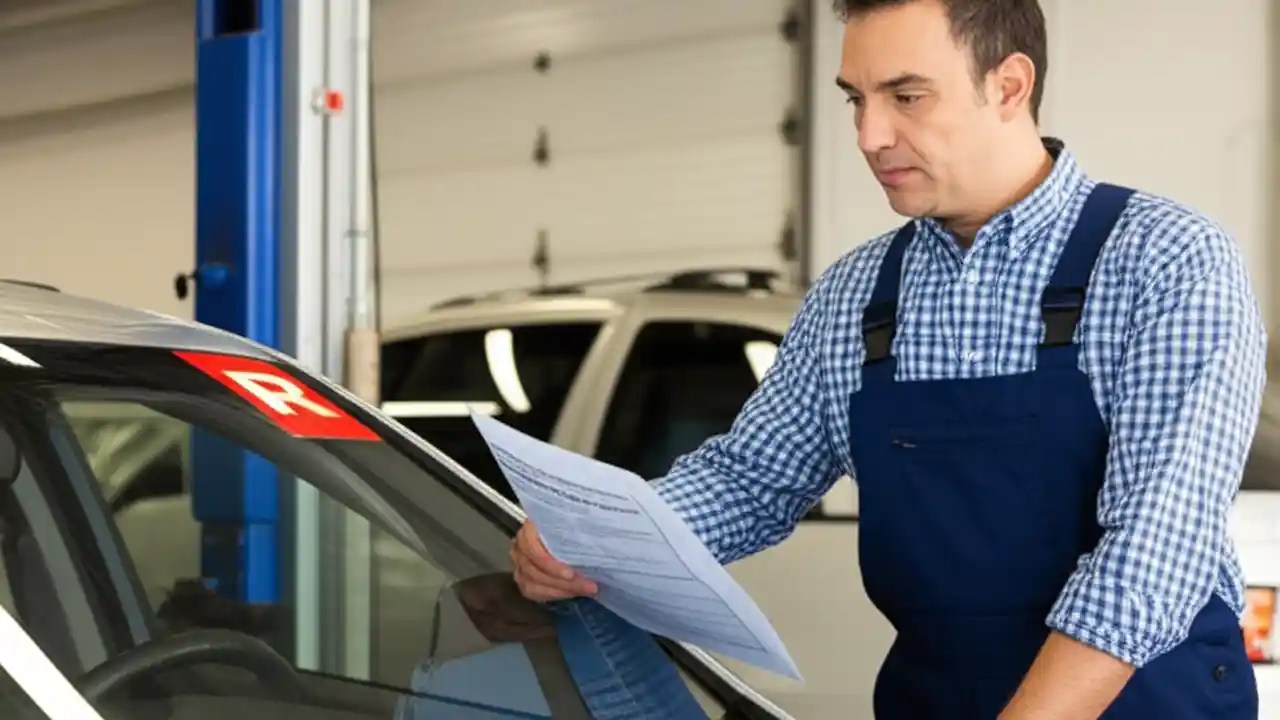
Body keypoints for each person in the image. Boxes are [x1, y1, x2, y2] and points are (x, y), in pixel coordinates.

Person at [508, 0, 1269, 716]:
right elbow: (751, 478)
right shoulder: (855, 294)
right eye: (855, 100)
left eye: (906, 97)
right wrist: (595, 541)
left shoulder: (1167, 262)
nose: (870, 135)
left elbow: (1153, 550)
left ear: (1008, 85)